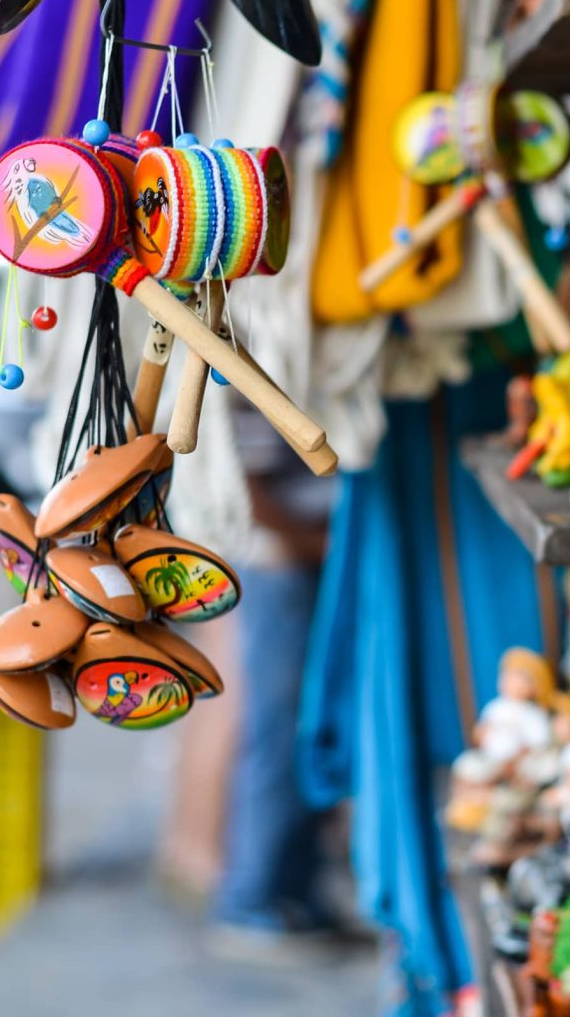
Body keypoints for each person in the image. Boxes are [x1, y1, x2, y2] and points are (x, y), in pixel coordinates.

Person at [210, 405, 342, 953]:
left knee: (305, 727)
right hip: (282, 564)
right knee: (279, 731)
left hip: (302, 555)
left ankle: (293, 893)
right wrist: (321, 546)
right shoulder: (254, 355)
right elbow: (246, 486)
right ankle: (252, 899)